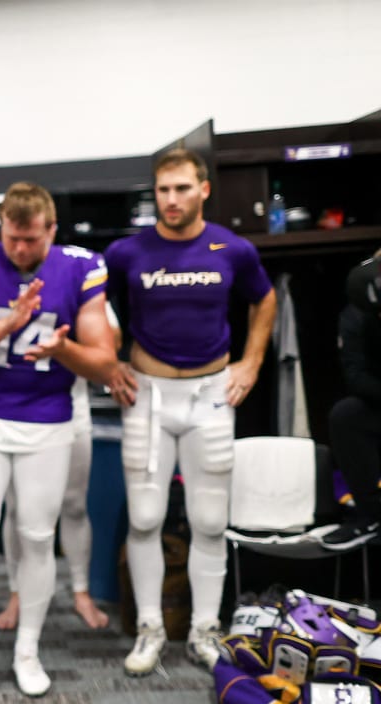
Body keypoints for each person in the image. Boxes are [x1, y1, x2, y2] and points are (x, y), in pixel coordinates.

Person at [0, 182, 116, 699]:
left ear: (51, 232)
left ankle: (27, 650)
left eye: (31, 240)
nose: (20, 250)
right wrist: (10, 323)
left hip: (48, 419)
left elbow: (104, 360)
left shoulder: (80, 266)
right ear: (1, 230)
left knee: (37, 537)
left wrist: (64, 350)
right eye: (12, 238)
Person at [104, 148, 276, 675]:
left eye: (182, 188)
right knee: (146, 518)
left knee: (207, 521)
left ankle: (204, 627)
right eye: (162, 190)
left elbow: (264, 300)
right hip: (149, 398)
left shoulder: (234, 248)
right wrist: (109, 362)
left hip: (212, 396)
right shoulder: (126, 253)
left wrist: (250, 363)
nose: (171, 199)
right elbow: (101, 311)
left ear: (203, 189)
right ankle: (150, 628)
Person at [0, 302, 122, 632]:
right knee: (16, 509)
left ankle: (81, 592)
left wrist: (67, 342)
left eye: (33, 244)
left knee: (75, 505)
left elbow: (113, 344)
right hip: (11, 410)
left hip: (71, 407)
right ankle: (16, 592)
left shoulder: (78, 281)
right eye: (18, 243)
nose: (24, 247)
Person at [322, 255, 381, 549]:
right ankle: (371, 514)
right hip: (378, 398)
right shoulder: (356, 314)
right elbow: (356, 376)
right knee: (346, 416)